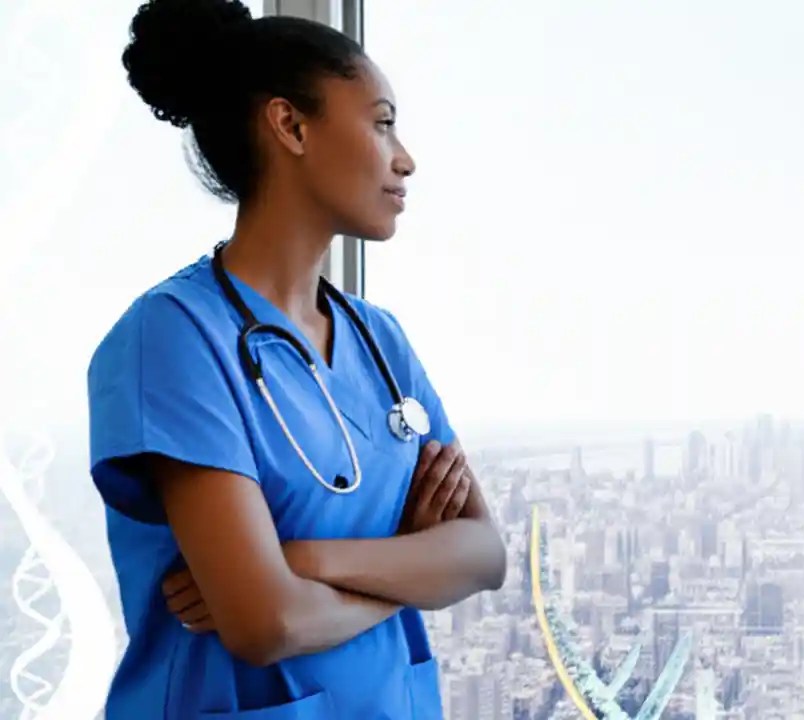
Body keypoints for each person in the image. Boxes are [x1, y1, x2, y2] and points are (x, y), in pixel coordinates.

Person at [85, 1, 507, 717]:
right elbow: (266, 623)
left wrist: (303, 560)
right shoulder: (176, 337)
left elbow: (483, 557)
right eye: (381, 123)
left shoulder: (380, 340)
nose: (404, 158)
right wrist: (409, 562)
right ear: (290, 125)